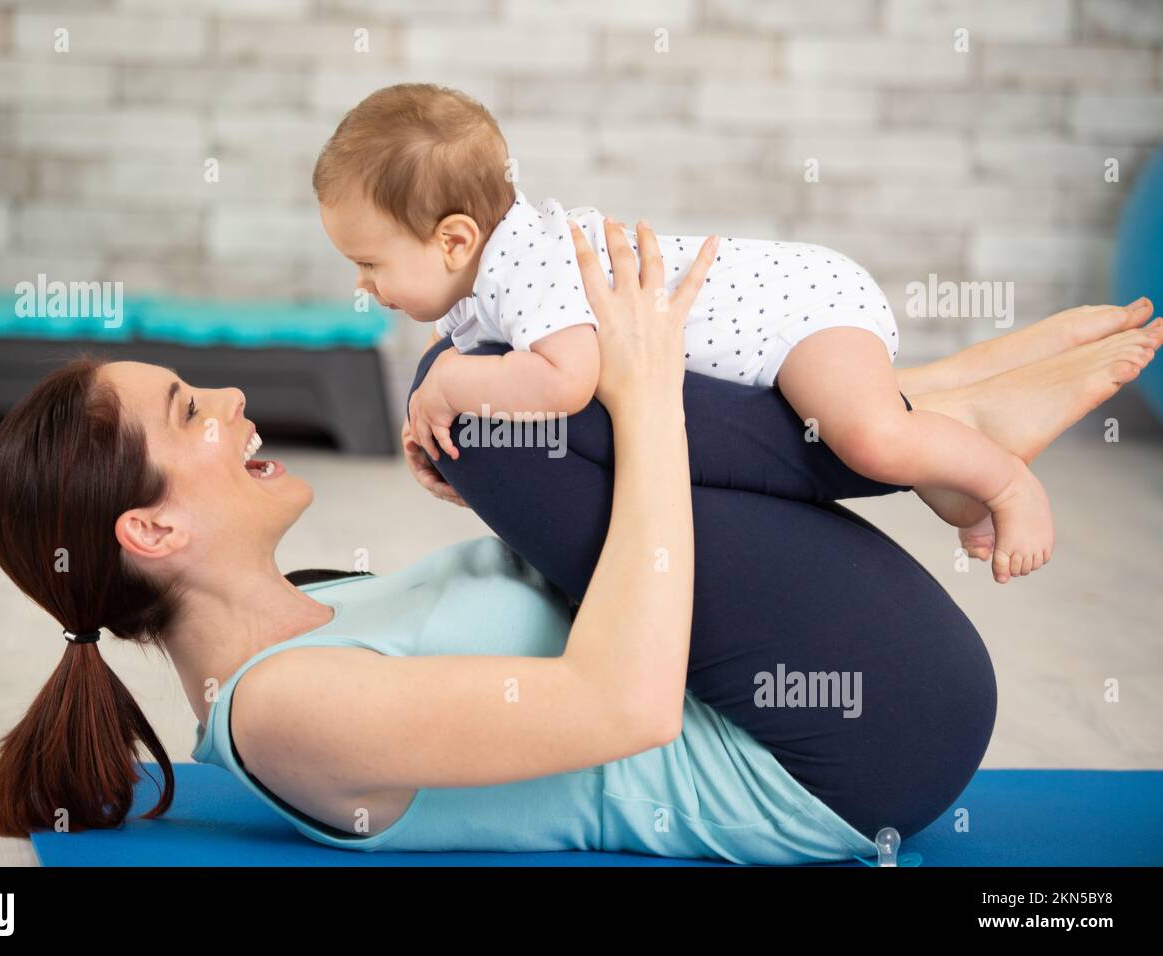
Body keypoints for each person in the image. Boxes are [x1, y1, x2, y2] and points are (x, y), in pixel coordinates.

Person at [0, 217, 1158, 863]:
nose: (232, 399)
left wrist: (532, 494)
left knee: (480, 395)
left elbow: (597, 590)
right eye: (189, 411)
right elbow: (625, 705)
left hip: (833, 700)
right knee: (485, 404)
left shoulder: (320, 604)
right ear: (151, 526)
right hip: (852, 750)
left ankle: (919, 416)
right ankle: (925, 417)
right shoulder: (277, 710)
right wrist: (637, 400)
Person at [314, 82, 1161, 584]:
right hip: (782, 326)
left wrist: (450, 384)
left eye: (369, 262)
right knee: (874, 440)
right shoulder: (485, 279)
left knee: (870, 436)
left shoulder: (524, 265)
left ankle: (1008, 482)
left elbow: (565, 382)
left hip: (801, 312)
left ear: (455, 239)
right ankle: (954, 479)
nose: (362, 285)